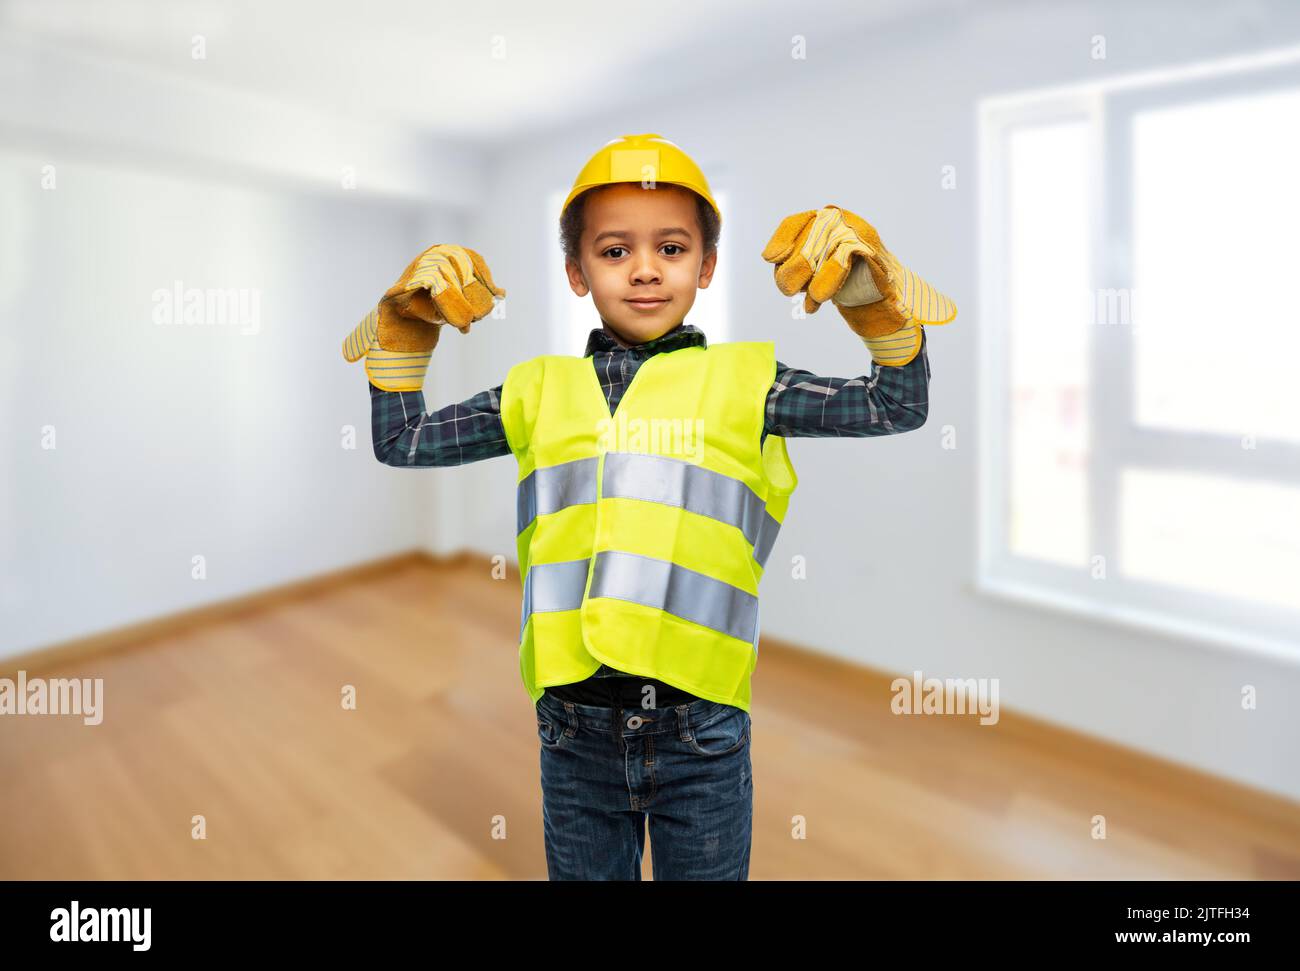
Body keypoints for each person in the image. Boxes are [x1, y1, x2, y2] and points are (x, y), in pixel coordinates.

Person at [343, 133, 956, 880]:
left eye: (671, 247)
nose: (643, 269)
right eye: (612, 251)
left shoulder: (749, 381)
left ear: (707, 265)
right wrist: (404, 344)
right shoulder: (533, 391)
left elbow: (895, 406)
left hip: (702, 724)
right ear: (575, 272)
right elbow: (404, 442)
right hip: (573, 727)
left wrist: (877, 313)